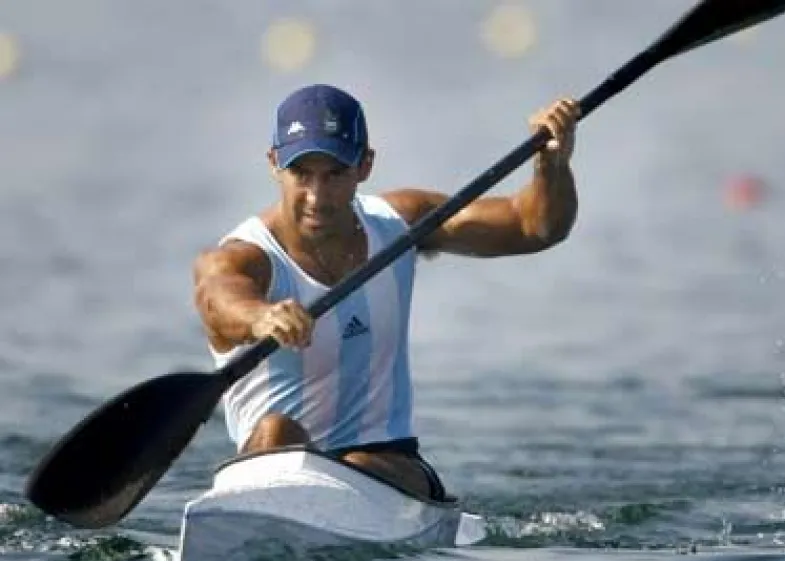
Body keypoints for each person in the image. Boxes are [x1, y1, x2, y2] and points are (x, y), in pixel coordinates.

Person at [192, 84, 579, 502]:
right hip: (270, 466)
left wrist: (551, 167)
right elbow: (218, 298)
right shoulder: (245, 257)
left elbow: (533, 226)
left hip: (388, 469)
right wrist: (260, 317)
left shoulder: (398, 224)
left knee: (356, 465)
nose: (317, 197)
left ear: (365, 165)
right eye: (301, 173)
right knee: (275, 431)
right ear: (273, 165)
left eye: (335, 173)